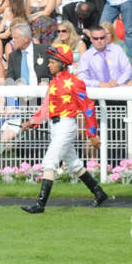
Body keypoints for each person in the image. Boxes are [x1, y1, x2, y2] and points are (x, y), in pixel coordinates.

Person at [19, 43, 110, 213]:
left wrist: (92, 134)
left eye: (52, 62)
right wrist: (32, 122)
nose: (48, 64)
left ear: (61, 63)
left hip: (67, 126)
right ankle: (99, 193)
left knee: (49, 162)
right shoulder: (53, 83)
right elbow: (45, 107)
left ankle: (40, 204)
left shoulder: (75, 83)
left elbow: (88, 107)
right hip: (55, 127)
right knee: (74, 164)